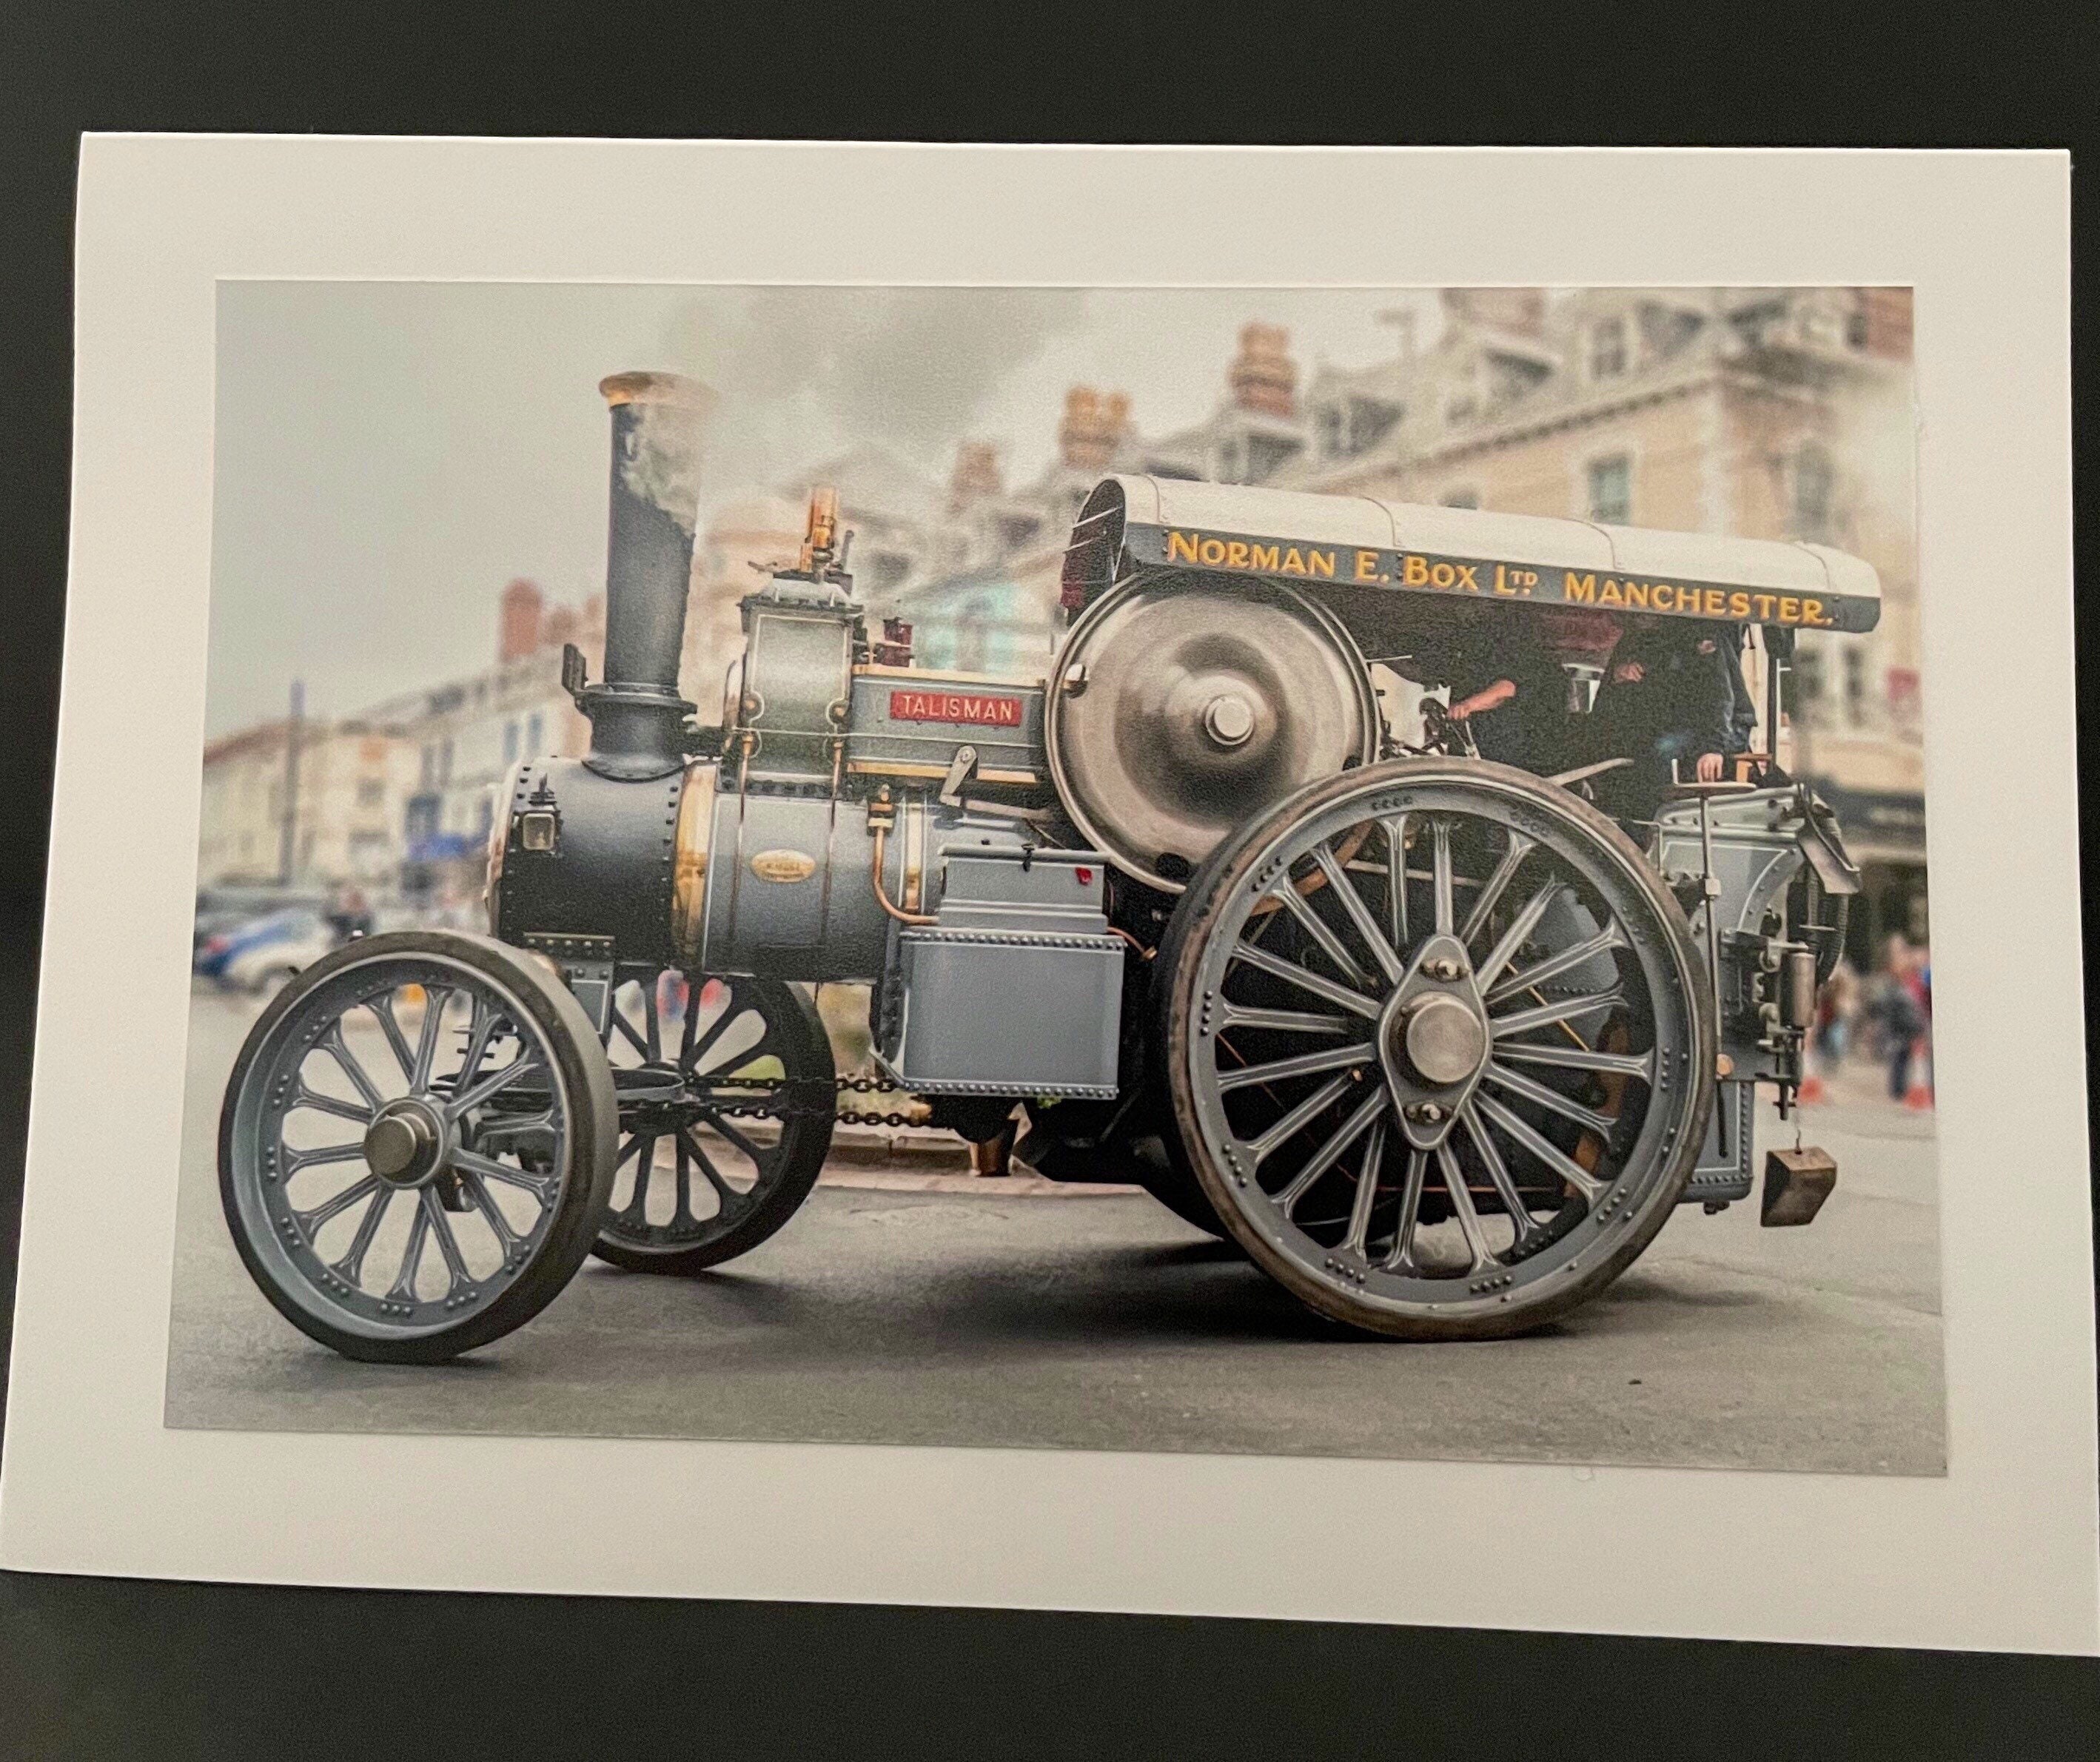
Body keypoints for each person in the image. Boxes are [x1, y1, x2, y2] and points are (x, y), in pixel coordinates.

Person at [1584, 620, 1748, 823]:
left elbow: (1720, 698)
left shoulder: (1702, 635)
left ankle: (1653, 823)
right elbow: (1607, 695)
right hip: (1668, 727)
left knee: (1663, 750)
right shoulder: (1635, 637)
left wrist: (1714, 748)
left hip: (1724, 728)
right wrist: (1618, 673)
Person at [1443, 613, 1574, 774]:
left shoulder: (1522, 660)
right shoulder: (1548, 667)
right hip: (1521, 762)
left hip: (1511, 762)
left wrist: (1466, 706)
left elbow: (1504, 690)